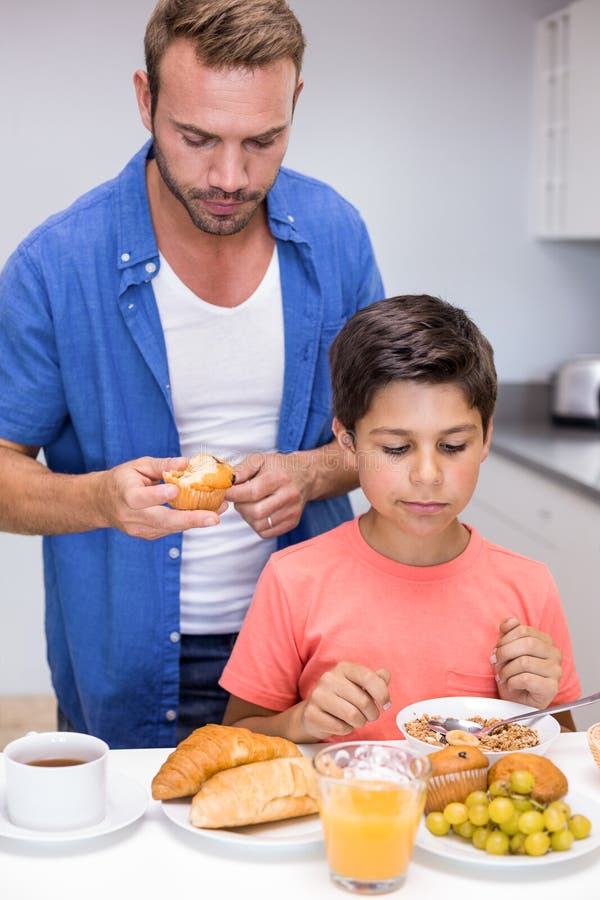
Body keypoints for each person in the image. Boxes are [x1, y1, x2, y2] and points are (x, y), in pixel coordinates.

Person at [0, 0, 384, 749]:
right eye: (197, 138)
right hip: (125, 663)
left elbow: (383, 436)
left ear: (295, 103)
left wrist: (309, 472)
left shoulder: (337, 235)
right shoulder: (56, 265)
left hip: (313, 646)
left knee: (307, 859)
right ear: (146, 100)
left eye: (262, 141)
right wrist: (101, 499)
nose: (230, 177)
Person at [220, 294, 581, 742]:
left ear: (486, 437)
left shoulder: (529, 587)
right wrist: (301, 721)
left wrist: (532, 705)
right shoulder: (293, 581)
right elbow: (234, 736)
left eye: (452, 447)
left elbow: (567, 747)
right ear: (347, 442)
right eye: (396, 448)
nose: (426, 476)